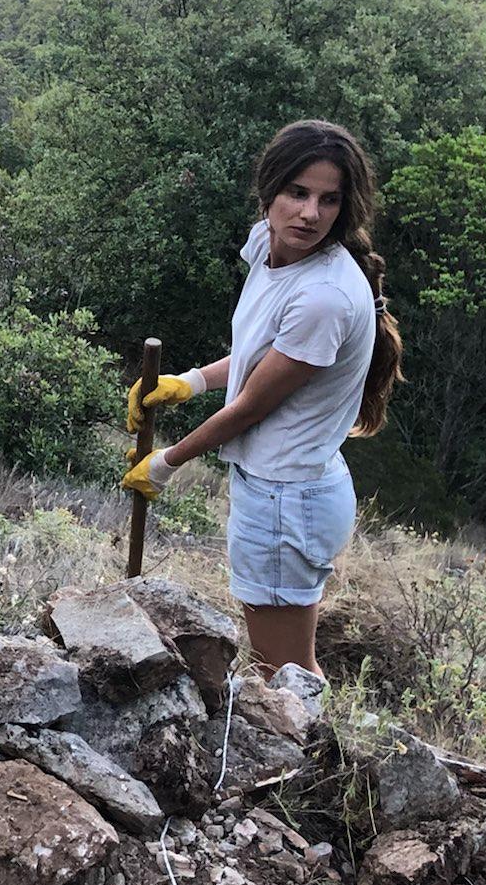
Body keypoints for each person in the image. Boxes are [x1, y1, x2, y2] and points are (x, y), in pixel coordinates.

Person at [121, 120, 403, 678]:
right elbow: (260, 355)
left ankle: (308, 737)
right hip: (281, 490)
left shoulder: (324, 297)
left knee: (283, 670)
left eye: (328, 200)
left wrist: (167, 462)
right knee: (287, 665)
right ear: (269, 189)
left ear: (345, 208)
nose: (310, 214)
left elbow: (252, 404)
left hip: (287, 500)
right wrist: (190, 381)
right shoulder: (269, 246)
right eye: (297, 192)